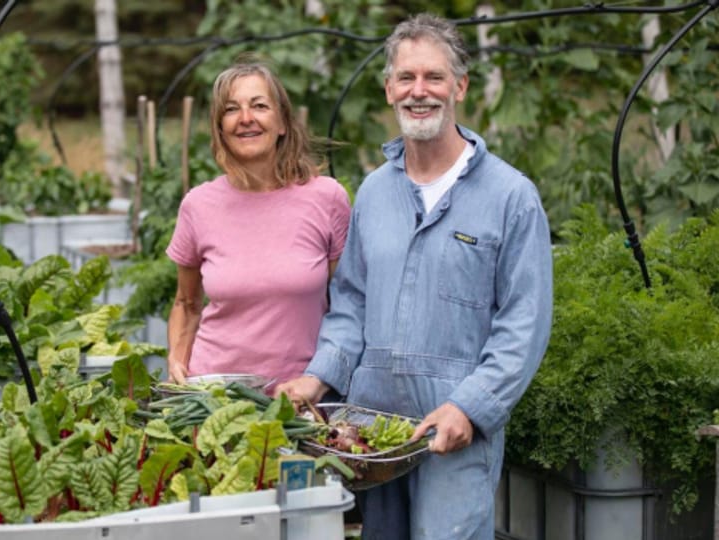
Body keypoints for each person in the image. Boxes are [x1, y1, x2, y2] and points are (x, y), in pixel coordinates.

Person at [276, 14, 553, 540]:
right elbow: (351, 303)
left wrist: (472, 407)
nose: (418, 92)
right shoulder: (376, 193)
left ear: (460, 87)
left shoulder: (510, 197)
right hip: (373, 425)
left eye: (434, 77)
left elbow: (524, 324)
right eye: (406, 78)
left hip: (452, 421)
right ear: (388, 89)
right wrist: (318, 376)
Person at [165, 59, 351, 389]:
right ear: (220, 126)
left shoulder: (327, 198)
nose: (246, 119)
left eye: (260, 106)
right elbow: (187, 303)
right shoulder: (198, 205)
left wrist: (322, 377)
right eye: (232, 109)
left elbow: (348, 302)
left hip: (298, 396)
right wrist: (177, 360)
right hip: (214, 395)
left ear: (282, 122)